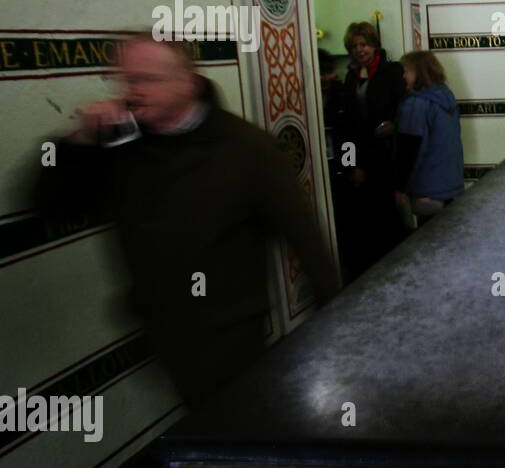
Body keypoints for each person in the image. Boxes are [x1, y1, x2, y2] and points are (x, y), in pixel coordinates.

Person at [35, 34, 338, 405]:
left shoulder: (245, 147)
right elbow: (53, 207)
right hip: (160, 330)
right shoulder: (121, 145)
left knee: (233, 428)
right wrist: (77, 142)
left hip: (229, 334)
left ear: (187, 83)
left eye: (147, 80)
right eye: (127, 80)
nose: (133, 92)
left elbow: (303, 234)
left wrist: (335, 324)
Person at [335, 21, 408, 277]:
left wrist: (394, 125)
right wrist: (350, 165)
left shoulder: (392, 72)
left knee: (391, 220)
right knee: (366, 221)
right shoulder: (351, 77)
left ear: (374, 45)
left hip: (388, 156)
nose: (359, 50)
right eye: (354, 46)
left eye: (363, 44)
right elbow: (345, 127)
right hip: (362, 159)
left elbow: (406, 110)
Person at [395, 51, 464, 224]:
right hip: (450, 185)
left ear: (419, 73)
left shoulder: (416, 104)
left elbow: (409, 149)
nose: (403, 76)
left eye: (406, 71)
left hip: (426, 189)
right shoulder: (446, 97)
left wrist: (400, 187)